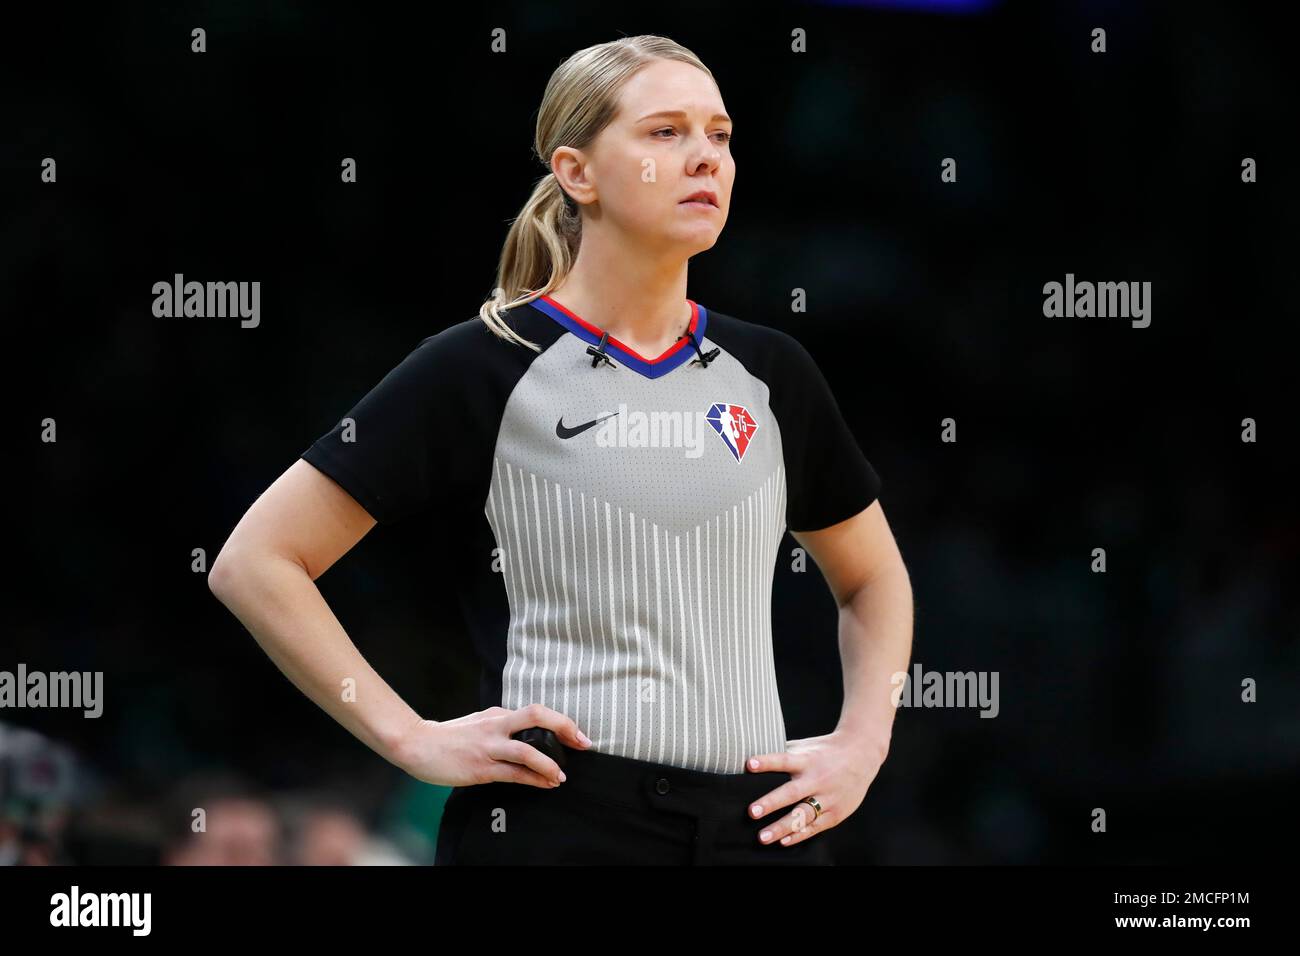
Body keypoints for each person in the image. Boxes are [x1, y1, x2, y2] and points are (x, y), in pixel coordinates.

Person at [209, 34, 913, 866]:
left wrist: (862, 744)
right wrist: (408, 737)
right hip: (559, 824)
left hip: (760, 829)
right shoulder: (483, 363)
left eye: (720, 135)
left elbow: (873, 578)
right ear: (577, 172)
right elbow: (255, 561)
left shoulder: (772, 371)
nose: (706, 158)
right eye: (665, 132)